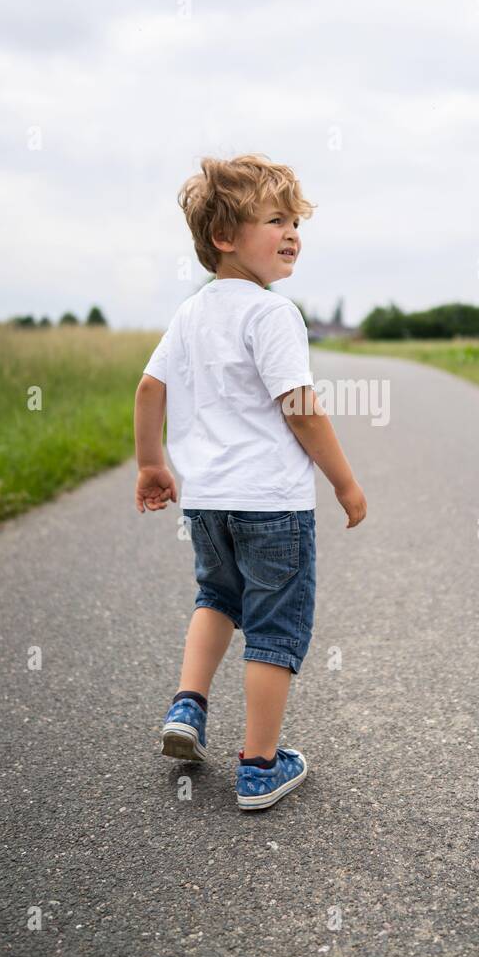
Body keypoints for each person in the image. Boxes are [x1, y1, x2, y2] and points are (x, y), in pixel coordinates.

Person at [134, 153, 367, 810]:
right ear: (224, 236)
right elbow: (301, 408)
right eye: (275, 220)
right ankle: (260, 765)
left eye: (296, 222)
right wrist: (345, 483)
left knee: (217, 596)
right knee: (274, 626)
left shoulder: (190, 314)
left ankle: (188, 705)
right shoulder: (272, 314)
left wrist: (152, 463)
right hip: (272, 505)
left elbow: (149, 388)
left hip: (208, 503)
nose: (292, 233)